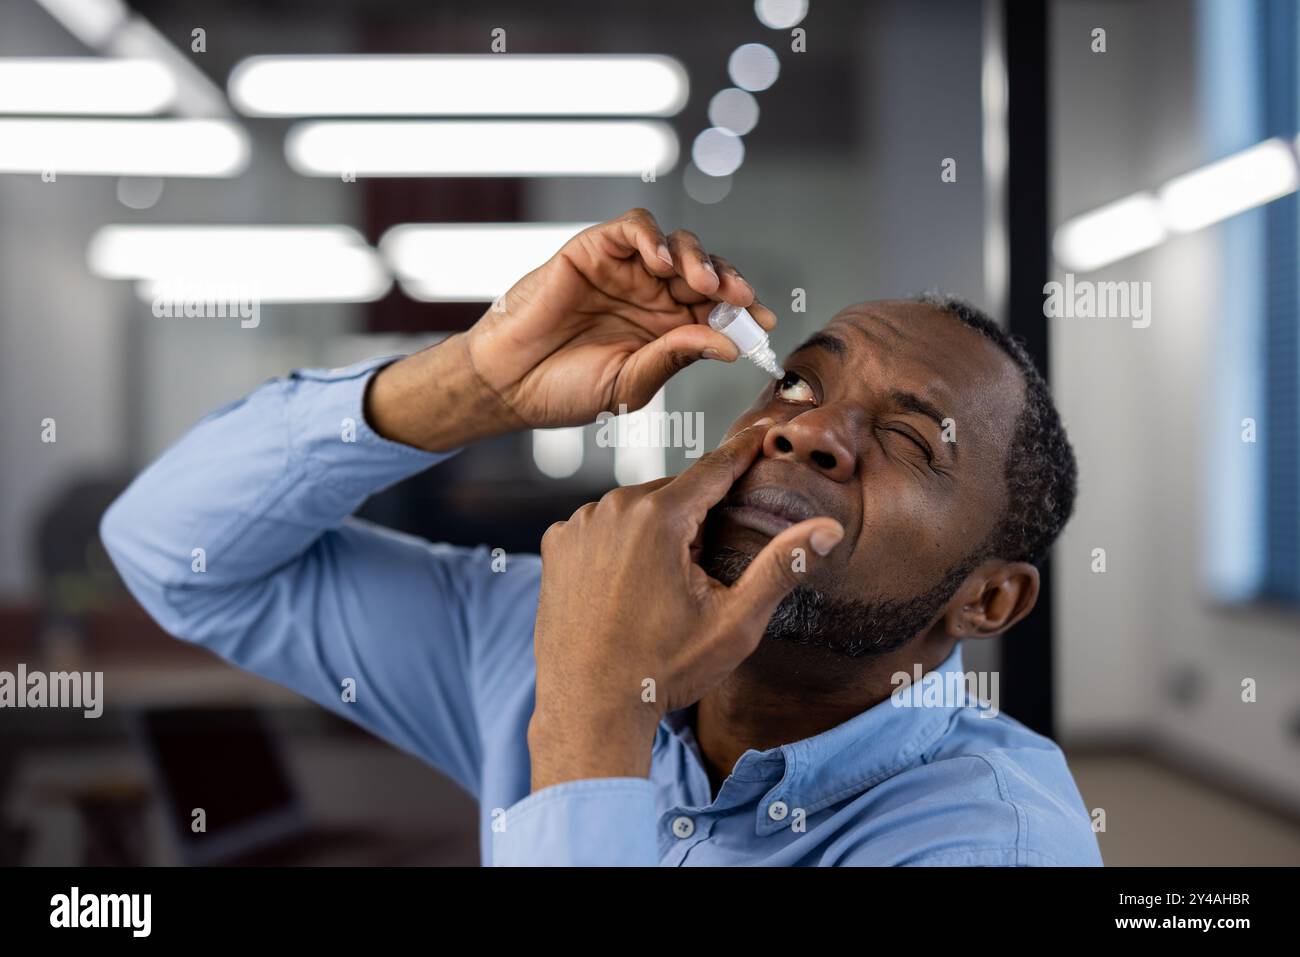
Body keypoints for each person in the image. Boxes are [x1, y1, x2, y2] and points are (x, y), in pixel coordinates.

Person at [101, 208, 1102, 866]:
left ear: (988, 601)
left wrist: (591, 715)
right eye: (797, 382)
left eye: (910, 440)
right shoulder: (543, 631)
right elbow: (174, 553)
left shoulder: (988, 843)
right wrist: (474, 384)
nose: (804, 428)